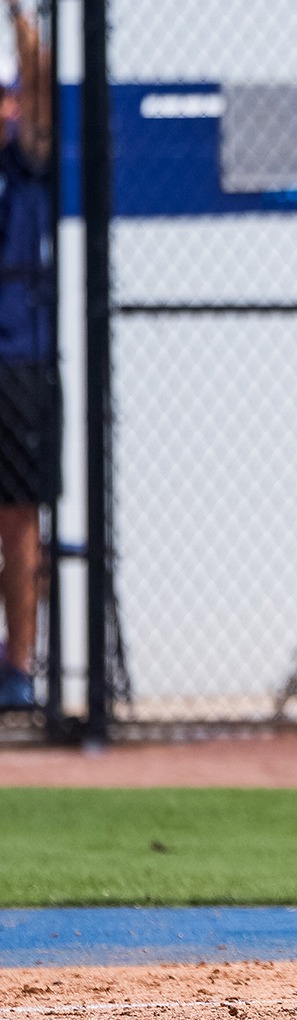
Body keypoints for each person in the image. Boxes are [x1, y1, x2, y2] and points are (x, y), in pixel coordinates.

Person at [0, 0, 54, 711]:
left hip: (17, 358)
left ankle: (18, 670)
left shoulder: (24, 160)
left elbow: (41, 91)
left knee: (17, 518)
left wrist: (18, 12)